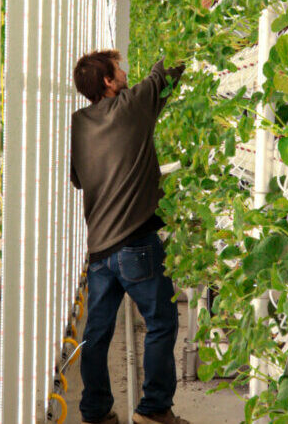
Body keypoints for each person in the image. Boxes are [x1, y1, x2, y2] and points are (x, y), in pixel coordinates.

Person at [70, 49, 188, 424]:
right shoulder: (130, 106)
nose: (124, 73)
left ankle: (95, 411)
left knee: (97, 332)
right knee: (162, 321)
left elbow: (78, 178)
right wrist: (182, 49)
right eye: (118, 69)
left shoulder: (80, 122)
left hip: (99, 248)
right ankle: (153, 410)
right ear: (108, 81)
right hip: (135, 242)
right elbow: (166, 76)